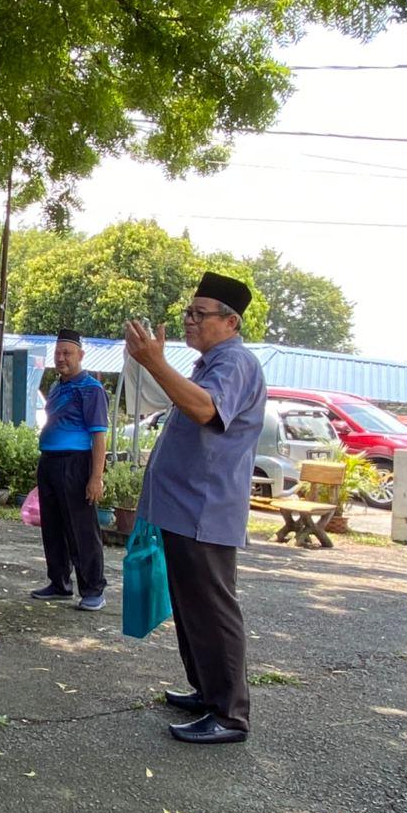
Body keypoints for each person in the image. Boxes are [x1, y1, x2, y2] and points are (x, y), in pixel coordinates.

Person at [123, 271, 266, 745]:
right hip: (184, 508)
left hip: (206, 510)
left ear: (231, 321)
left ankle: (229, 714)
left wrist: (156, 364)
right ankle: (207, 691)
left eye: (199, 313)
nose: (189, 320)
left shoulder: (236, 362)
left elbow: (206, 410)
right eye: (189, 311)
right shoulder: (210, 361)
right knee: (190, 608)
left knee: (212, 608)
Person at [30, 328, 109, 611]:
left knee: (81, 528)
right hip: (49, 461)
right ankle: (59, 582)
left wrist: (96, 477)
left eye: (67, 353)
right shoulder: (57, 386)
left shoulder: (91, 389)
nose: (61, 358)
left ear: (80, 355)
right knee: (52, 526)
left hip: (75, 463)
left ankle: (93, 589)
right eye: (58, 353)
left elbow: (99, 435)